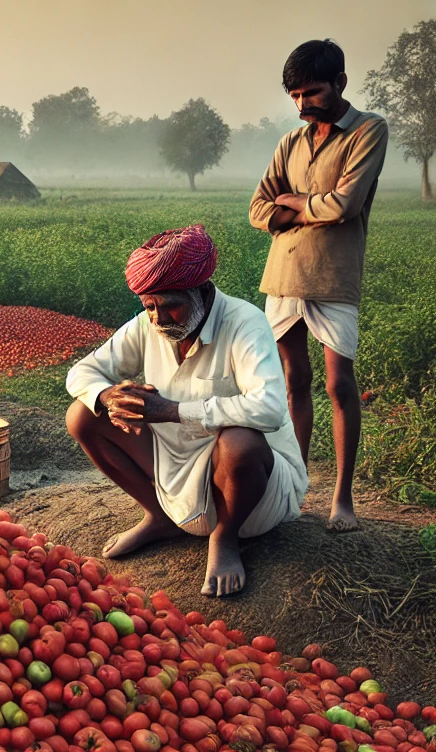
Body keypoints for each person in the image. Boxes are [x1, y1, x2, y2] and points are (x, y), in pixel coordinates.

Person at [65, 225, 308, 598]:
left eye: (171, 306)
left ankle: (225, 538)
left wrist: (174, 411)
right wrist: (109, 395)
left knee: (239, 441)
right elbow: (82, 372)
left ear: (203, 292)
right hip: (175, 467)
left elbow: (271, 409)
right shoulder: (150, 327)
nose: (160, 320)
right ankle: (160, 516)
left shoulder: (245, 324)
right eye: (150, 307)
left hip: (253, 488)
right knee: (82, 416)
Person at [250, 39, 388, 533]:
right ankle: (296, 486)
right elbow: (257, 208)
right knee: (292, 383)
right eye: (295, 95)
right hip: (284, 276)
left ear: (341, 84)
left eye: (312, 92)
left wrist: (293, 203)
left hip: (334, 277)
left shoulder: (368, 130)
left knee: (338, 384)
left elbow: (345, 206)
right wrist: (305, 205)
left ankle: (343, 500)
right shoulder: (289, 142)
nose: (303, 103)